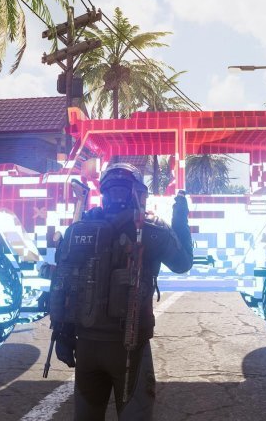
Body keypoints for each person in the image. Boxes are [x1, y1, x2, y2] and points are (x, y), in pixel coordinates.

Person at [52, 162, 193, 420]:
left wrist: (62, 334)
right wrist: (180, 216)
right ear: (137, 193)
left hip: (86, 345)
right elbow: (183, 264)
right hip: (129, 348)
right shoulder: (151, 228)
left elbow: (61, 280)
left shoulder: (82, 227)